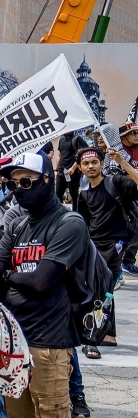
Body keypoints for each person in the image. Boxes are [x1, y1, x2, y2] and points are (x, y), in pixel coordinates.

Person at [0, 153, 85, 418]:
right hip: (12, 345)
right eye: (13, 183)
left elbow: (41, 281)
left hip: (49, 343)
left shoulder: (69, 223)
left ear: (48, 180)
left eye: (27, 182)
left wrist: (7, 274)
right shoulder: (17, 224)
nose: (19, 189)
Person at [78, 146, 138, 357]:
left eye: (94, 162)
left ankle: (92, 337)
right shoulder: (84, 193)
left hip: (116, 243)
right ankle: (109, 335)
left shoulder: (116, 182)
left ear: (102, 163)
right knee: (102, 289)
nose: (90, 166)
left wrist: (122, 162)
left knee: (103, 289)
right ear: (80, 167)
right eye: (85, 163)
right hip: (93, 245)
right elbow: (83, 222)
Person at [55, 131, 88, 210]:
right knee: (58, 193)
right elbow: (59, 155)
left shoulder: (77, 139)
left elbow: (81, 155)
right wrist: (56, 170)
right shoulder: (61, 139)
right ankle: (59, 212)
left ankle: (75, 212)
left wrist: (73, 168)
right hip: (61, 171)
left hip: (73, 172)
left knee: (74, 194)